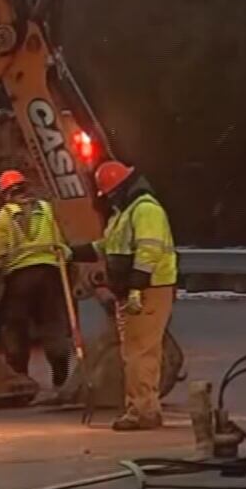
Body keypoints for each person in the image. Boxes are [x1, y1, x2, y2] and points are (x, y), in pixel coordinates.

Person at [80, 159, 177, 430]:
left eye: (110, 192)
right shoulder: (124, 213)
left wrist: (136, 288)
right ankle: (143, 407)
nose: (109, 197)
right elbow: (108, 246)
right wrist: (73, 252)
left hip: (148, 289)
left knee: (139, 352)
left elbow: (149, 251)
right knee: (138, 351)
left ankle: (142, 412)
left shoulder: (145, 210)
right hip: (134, 289)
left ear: (120, 188)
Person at [0, 169, 72, 391]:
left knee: (15, 328)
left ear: (4, 193)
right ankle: (61, 376)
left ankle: (19, 378)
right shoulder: (47, 210)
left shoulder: (6, 215)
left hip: (20, 279)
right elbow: (62, 242)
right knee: (53, 326)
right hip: (50, 275)